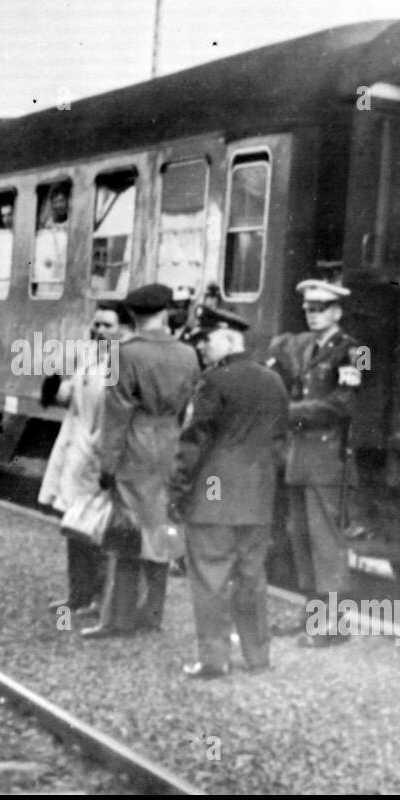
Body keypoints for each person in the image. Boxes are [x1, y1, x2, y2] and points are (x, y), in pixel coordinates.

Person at [169, 307, 287, 677]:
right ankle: (257, 656)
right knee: (252, 578)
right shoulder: (274, 382)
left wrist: (177, 490)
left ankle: (214, 659)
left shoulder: (213, 383)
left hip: (215, 493)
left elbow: (194, 443)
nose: (201, 346)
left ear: (228, 340)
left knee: (211, 577)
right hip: (257, 496)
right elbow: (280, 439)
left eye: (207, 339)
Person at [82, 283, 199, 639]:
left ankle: (116, 619)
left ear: (132, 315)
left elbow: (116, 414)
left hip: (135, 445)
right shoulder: (189, 354)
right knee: (160, 531)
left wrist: (107, 464)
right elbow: (189, 408)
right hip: (170, 445)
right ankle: (152, 615)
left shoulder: (123, 355)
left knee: (124, 534)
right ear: (165, 313)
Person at [264, 278, 361, 646]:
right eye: (308, 308)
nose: (313, 315)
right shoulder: (307, 347)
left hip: (327, 457)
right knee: (301, 538)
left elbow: (342, 405)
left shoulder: (354, 351)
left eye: (321, 309)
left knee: (326, 543)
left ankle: (332, 626)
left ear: (337, 311)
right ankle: (313, 618)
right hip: (302, 456)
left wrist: (288, 413)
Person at [39, 300, 132, 619]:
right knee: (75, 529)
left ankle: (97, 598)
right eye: (96, 324)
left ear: (123, 328)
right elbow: (79, 396)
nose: (99, 330)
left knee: (96, 532)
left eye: (107, 325)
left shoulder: (120, 363)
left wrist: (104, 457)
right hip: (75, 453)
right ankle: (78, 596)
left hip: (96, 457)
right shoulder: (93, 356)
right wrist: (55, 389)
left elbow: (113, 411)